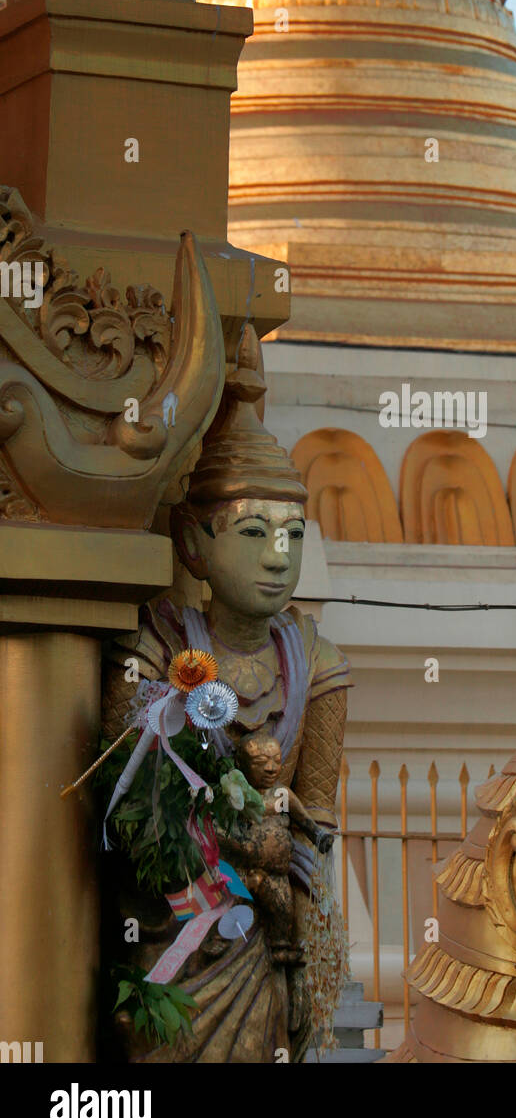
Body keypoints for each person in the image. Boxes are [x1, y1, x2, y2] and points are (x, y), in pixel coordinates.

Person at [102, 326, 351, 1063]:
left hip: (267, 947)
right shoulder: (157, 644)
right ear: (193, 545)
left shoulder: (317, 663)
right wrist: (227, 847)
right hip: (174, 928)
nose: (278, 557)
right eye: (252, 532)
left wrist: (305, 939)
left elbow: (319, 821)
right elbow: (128, 792)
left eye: (293, 534)